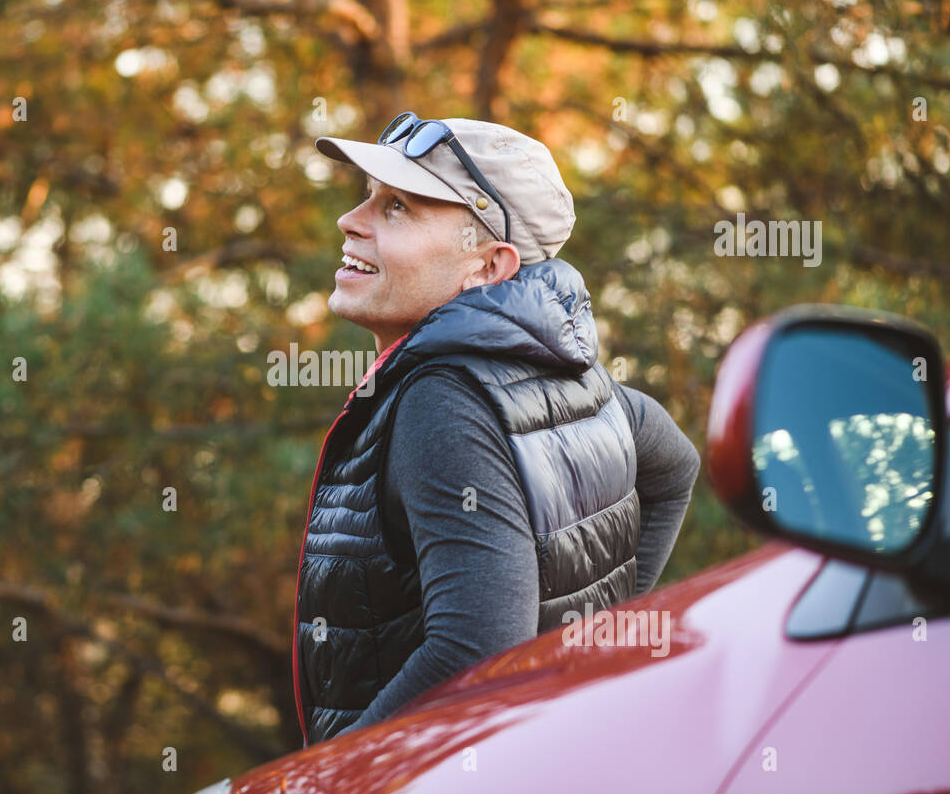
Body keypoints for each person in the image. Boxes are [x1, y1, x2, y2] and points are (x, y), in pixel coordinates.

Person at [289, 113, 700, 746]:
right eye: (367, 197)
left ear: (487, 267)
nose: (352, 220)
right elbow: (676, 465)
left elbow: (475, 650)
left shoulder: (443, 402)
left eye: (397, 207)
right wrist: (596, 638)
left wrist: (324, 785)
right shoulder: (573, 379)